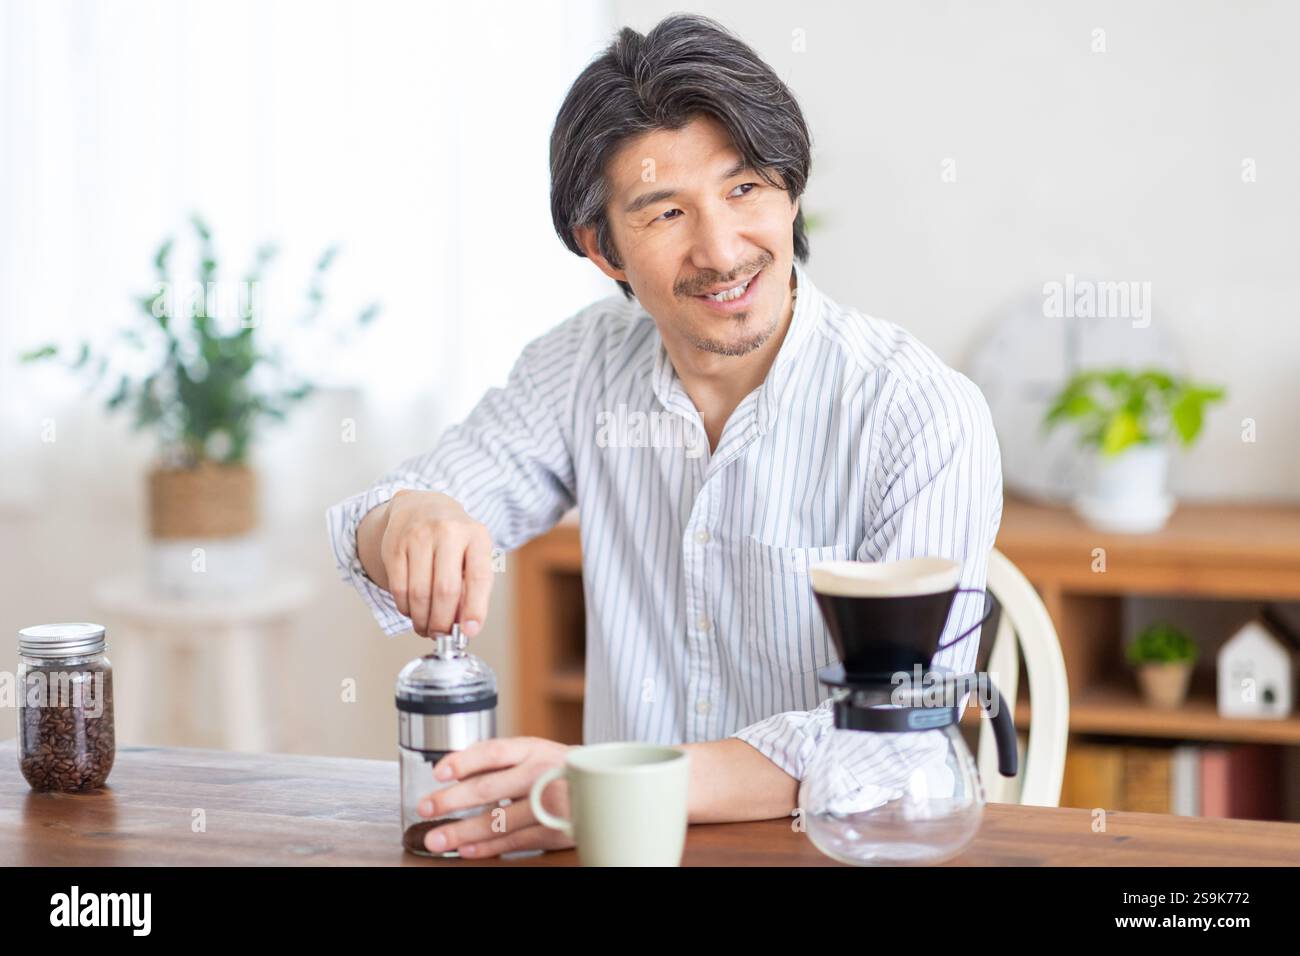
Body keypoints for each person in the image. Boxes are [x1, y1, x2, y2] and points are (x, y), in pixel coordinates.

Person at [326, 13, 1003, 859]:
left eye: (745, 188)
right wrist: (410, 514)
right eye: (665, 211)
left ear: (791, 189)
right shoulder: (579, 367)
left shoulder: (921, 412)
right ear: (602, 248)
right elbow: (374, 519)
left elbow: (895, 737)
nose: (722, 250)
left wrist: (609, 786)